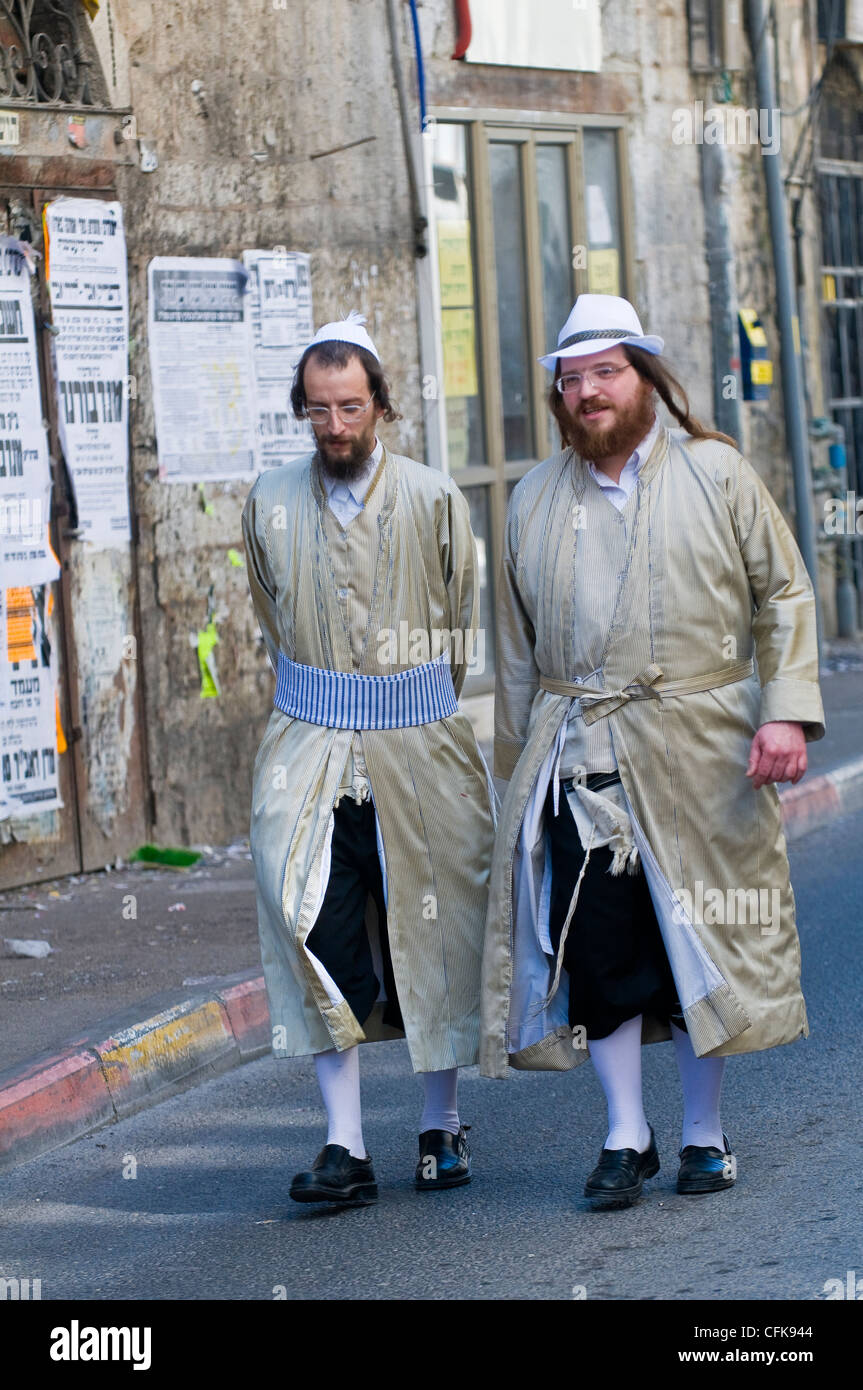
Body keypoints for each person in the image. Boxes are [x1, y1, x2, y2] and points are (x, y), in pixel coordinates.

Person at [480, 293, 824, 1208]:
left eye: (605, 373)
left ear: (643, 379)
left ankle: (705, 1136)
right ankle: (625, 1132)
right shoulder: (531, 500)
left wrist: (784, 711)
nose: (588, 393)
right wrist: (514, 781)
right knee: (600, 952)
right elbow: (515, 654)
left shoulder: (717, 473)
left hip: (704, 746)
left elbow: (781, 594)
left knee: (697, 947)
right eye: (572, 380)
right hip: (581, 754)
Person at [242, 312, 495, 1205]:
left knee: (434, 932)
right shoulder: (269, 498)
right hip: (308, 744)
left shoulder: (431, 497)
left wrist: (408, 706)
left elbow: (459, 621)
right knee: (312, 921)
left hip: (418, 740)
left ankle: (441, 1126)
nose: (335, 427)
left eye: (350, 407)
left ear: (382, 405)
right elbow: (272, 609)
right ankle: (343, 1145)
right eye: (318, 410)